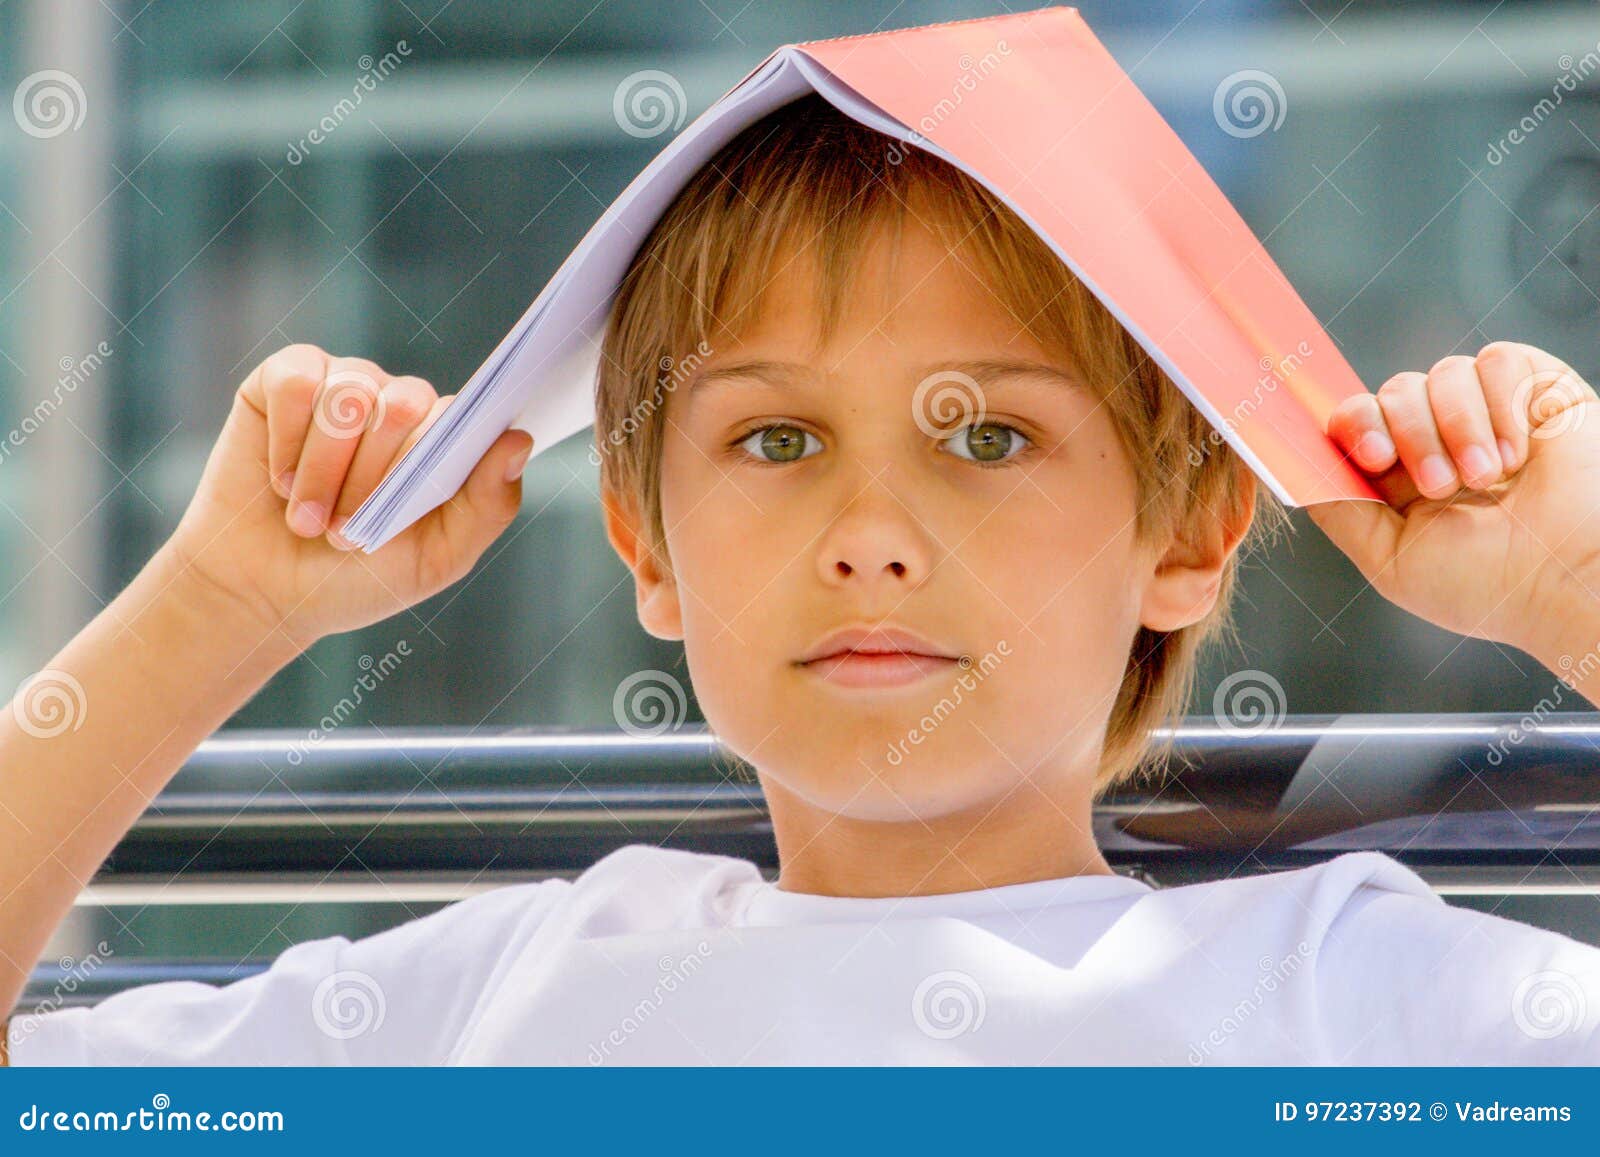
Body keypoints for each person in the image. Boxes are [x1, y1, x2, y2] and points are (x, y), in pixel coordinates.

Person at [4, 93, 1599, 1066]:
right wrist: (219, 605)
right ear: (646, 541)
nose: (872, 529)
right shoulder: (486, 1000)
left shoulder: (1354, 997)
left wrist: (1570, 580)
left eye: (984, 437)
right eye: (775, 440)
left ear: (1185, 534)